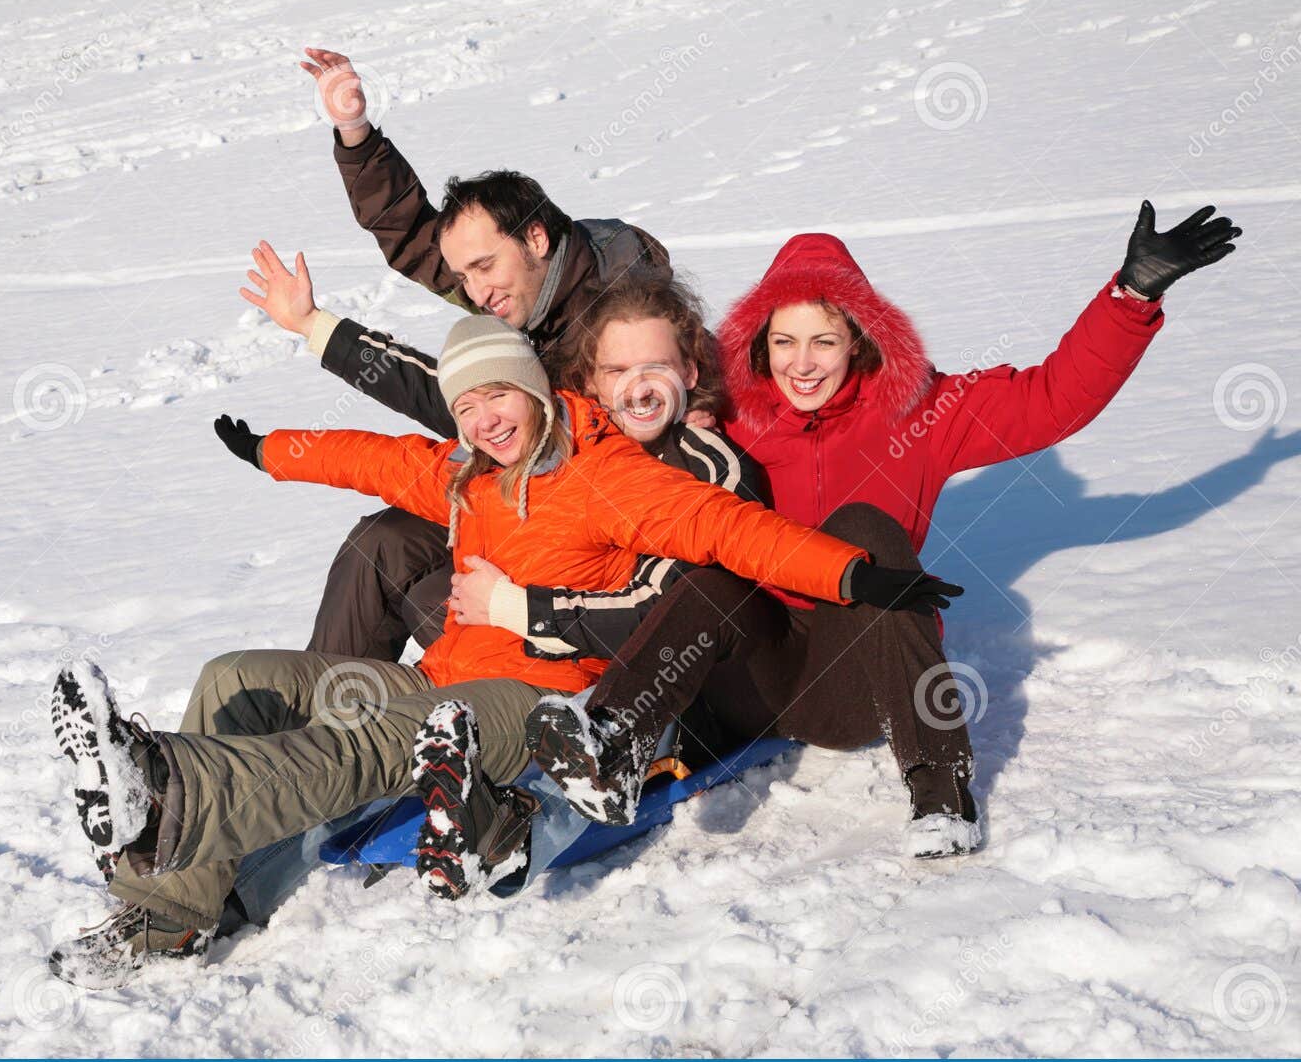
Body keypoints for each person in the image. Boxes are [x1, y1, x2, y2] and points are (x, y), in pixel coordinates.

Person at [47, 314, 951, 987]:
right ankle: (172, 911)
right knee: (237, 678)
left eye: (498, 395)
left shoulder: (610, 473)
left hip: (534, 703)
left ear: (537, 390)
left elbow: (729, 528)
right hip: (437, 674)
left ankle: (167, 789)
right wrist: (272, 451)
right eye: (467, 404)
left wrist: (855, 576)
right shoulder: (468, 475)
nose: (485, 416)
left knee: (370, 744)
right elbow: (377, 457)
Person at [512, 201, 1240, 860]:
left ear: (856, 340)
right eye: (785, 341)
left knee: (866, 528)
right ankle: (611, 743)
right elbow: (614, 399)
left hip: (856, 684)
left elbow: (1053, 397)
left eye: (823, 341)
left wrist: (1131, 296)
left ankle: (941, 793)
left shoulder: (923, 412)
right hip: (749, 679)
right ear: (760, 344)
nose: (803, 363)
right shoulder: (729, 413)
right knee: (713, 577)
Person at [295, 46, 681, 662]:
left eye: (482, 268)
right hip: (520, 500)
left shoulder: (624, 317)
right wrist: (356, 134)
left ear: (534, 236)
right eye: (464, 276)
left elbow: (489, 413)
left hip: (586, 563)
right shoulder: (528, 288)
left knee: (434, 598)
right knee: (383, 543)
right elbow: (421, 241)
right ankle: (306, 735)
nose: (474, 292)